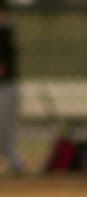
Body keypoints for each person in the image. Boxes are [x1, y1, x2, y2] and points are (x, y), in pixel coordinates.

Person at [0, 0, 23, 175]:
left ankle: (15, 162)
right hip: (7, 87)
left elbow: (3, 67)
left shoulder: (5, 32)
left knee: (5, 129)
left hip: (5, 87)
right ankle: (15, 162)